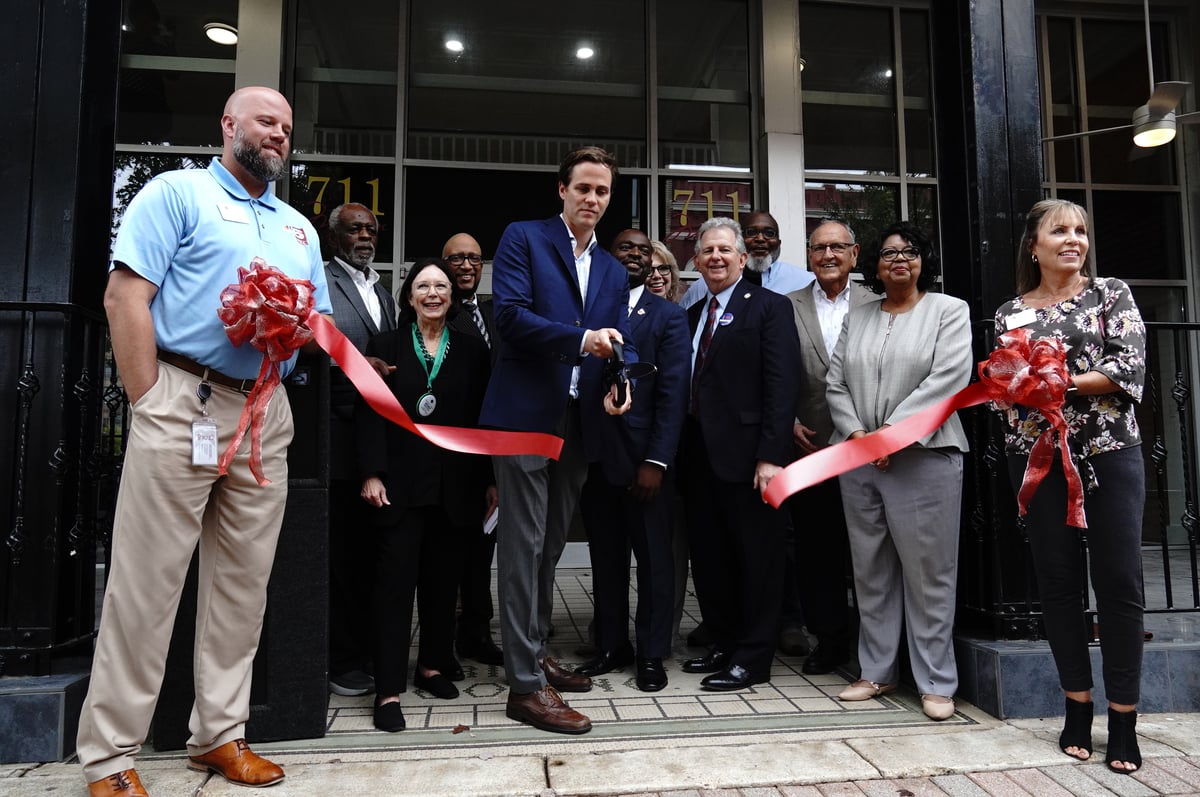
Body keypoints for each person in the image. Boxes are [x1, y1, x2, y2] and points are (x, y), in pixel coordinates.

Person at [77, 87, 332, 797]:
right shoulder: (175, 193)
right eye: (265, 121)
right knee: (146, 587)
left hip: (264, 412)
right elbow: (124, 296)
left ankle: (218, 734)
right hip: (182, 400)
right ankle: (108, 755)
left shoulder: (298, 229)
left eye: (286, 126)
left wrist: (291, 327)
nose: (279, 134)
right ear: (227, 124)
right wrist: (148, 398)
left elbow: (318, 326)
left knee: (243, 589)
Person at [480, 146, 635, 734]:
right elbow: (511, 318)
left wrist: (618, 382)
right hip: (523, 416)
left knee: (547, 546)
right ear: (562, 190)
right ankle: (524, 686)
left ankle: (536, 652)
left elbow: (615, 344)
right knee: (522, 546)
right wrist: (583, 340)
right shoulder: (523, 238)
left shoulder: (616, 270)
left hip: (578, 421)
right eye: (584, 189)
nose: (593, 200)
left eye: (602, 192)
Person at [992, 199, 1147, 773]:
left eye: (1080, 230)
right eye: (1060, 230)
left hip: (1108, 454)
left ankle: (1125, 718)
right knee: (1057, 585)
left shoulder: (1112, 294)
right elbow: (1006, 384)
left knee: (1119, 584)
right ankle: (1077, 707)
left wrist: (1058, 386)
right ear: (1033, 245)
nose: (1074, 239)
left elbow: (1127, 368)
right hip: (1036, 459)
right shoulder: (1011, 311)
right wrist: (1016, 387)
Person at [825, 222, 971, 721]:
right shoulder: (859, 316)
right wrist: (859, 436)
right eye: (889, 253)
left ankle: (936, 681)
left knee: (930, 573)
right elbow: (835, 383)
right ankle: (877, 671)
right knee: (870, 569)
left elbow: (950, 378)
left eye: (909, 252)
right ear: (875, 264)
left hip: (925, 456)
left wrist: (892, 432)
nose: (899, 260)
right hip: (859, 458)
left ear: (923, 259)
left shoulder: (949, 311)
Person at [357, 258, 492, 732]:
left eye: (441, 286)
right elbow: (370, 413)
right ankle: (388, 689)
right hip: (399, 487)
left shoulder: (474, 350)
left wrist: (490, 479)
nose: (432, 293)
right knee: (393, 587)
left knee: (443, 584)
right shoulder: (384, 345)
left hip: (456, 486)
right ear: (409, 297)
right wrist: (371, 472)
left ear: (452, 297)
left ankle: (433, 665)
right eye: (423, 286)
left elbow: (481, 419)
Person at [679, 217, 801, 691]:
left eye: (725, 250)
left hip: (752, 461)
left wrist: (771, 456)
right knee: (710, 560)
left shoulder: (769, 307)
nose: (716, 258)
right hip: (698, 460)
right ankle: (724, 643)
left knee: (759, 561)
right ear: (696, 260)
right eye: (707, 251)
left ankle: (753, 657)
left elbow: (782, 384)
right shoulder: (690, 316)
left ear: (742, 257)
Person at [577, 229, 690, 691]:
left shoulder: (668, 315)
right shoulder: (592, 311)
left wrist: (658, 462)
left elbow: (673, 392)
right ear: (610, 255)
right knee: (605, 560)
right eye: (627, 248)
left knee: (654, 562)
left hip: (646, 464)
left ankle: (651, 653)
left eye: (644, 250)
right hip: (597, 460)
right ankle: (610, 645)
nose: (636, 256)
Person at [785, 219, 875, 675]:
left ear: (854, 254)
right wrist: (789, 420)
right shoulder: (786, 306)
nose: (828, 256)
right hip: (811, 446)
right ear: (809, 255)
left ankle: (874, 644)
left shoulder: (880, 304)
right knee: (818, 550)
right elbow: (775, 372)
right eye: (819, 248)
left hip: (870, 445)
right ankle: (829, 639)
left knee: (869, 549)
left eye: (837, 247)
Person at [325, 202, 397, 698]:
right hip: (339, 434)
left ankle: (372, 651)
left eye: (371, 228)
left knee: (375, 555)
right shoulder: (322, 282)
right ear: (335, 238)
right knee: (343, 556)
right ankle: (341, 659)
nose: (365, 236)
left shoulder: (385, 291)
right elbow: (313, 345)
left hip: (380, 440)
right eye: (355, 228)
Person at [442, 232, 504, 668]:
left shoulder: (498, 313)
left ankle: (477, 633)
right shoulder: (436, 313)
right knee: (450, 551)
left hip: (493, 448)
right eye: (457, 258)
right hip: (449, 449)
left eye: (474, 258)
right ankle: (442, 642)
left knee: (484, 548)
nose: (467, 265)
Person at [677, 211, 814, 307]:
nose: (760, 239)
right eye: (751, 232)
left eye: (769, 233)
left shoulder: (804, 282)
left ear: (778, 242)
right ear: (739, 241)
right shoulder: (702, 287)